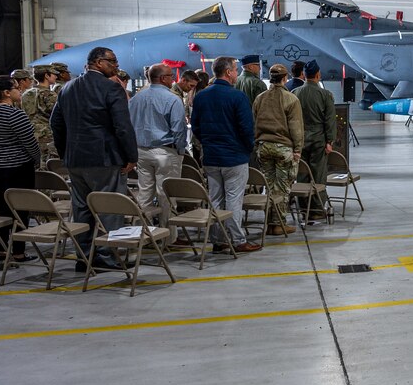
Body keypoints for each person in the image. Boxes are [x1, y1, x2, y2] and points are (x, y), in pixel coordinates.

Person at [50, 47, 137, 271]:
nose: (117, 66)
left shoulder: (67, 88)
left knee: (82, 209)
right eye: (113, 62)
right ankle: (108, 257)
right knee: (110, 209)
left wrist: (66, 152)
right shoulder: (111, 88)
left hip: (76, 159)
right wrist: (131, 156)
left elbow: (56, 124)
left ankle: (84, 257)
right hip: (105, 159)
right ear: (98, 62)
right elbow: (123, 126)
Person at [191, 56, 261, 254]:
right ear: (229, 73)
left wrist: (208, 143)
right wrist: (247, 148)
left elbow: (196, 126)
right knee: (234, 200)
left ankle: (218, 239)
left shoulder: (202, 96)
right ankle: (238, 240)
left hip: (211, 156)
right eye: (235, 70)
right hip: (234, 157)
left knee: (215, 199)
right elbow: (247, 128)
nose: (237, 73)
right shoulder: (237, 97)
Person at [0, 76, 39, 265]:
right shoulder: (15, 115)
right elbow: (30, 143)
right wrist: (37, 159)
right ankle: (19, 252)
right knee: (20, 211)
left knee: (2, 210)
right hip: (17, 167)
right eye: (16, 88)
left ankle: (2, 251)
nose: (19, 91)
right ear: (6, 93)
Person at [128, 64, 188, 211]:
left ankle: (145, 230)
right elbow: (178, 128)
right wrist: (180, 150)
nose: (173, 79)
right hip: (165, 152)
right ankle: (168, 231)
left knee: (144, 193)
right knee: (166, 195)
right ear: (162, 78)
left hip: (141, 150)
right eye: (170, 76)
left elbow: (128, 124)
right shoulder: (172, 99)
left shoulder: (136, 98)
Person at [253, 63, 303, 236]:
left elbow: (254, 122)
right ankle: (278, 224)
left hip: (263, 146)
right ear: (285, 78)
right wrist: (297, 150)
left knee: (269, 185)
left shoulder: (260, 98)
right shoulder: (291, 99)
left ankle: (269, 222)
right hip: (283, 148)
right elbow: (296, 127)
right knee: (282, 187)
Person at [293, 60, 335, 219]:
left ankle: (303, 208)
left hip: (300, 139)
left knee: (302, 174)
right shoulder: (325, 95)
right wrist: (329, 141)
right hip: (319, 140)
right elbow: (330, 120)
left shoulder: (295, 93)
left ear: (303, 75)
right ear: (318, 75)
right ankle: (317, 210)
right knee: (318, 175)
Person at [21, 64, 59, 165]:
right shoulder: (49, 95)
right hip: (46, 135)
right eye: (53, 74)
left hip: (29, 133)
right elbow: (58, 114)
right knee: (46, 166)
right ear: (47, 76)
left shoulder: (26, 93)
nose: (56, 76)